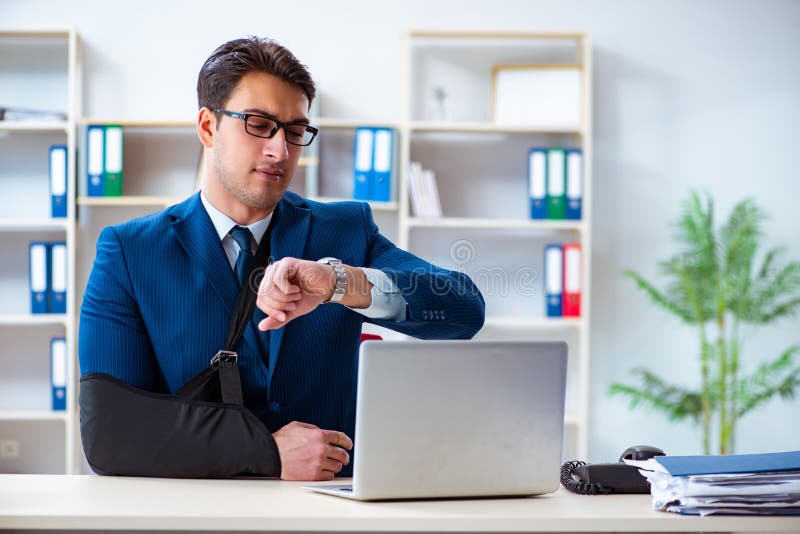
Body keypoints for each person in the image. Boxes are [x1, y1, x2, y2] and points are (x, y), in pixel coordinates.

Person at [78, 36, 485, 481]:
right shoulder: (130, 251)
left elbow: (464, 308)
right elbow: (110, 432)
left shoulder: (345, 231)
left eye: (295, 131)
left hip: (325, 515)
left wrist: (339, 283)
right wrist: (264, 451)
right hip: (190, 516)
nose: (281, 151)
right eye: (258, 123)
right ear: (208, 127)